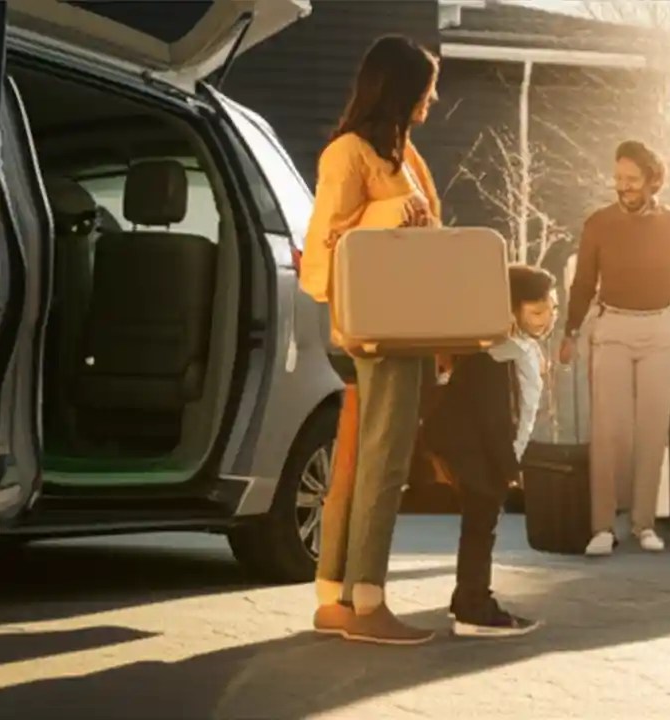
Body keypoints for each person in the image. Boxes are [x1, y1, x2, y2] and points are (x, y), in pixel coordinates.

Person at [300, 35, 442, 645]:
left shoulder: (404, 155)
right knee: (383, 463)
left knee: (358, 465)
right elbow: (324, 245)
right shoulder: (347, 154)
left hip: (403, 322)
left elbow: (429, 230)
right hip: (372, 328)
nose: (434, 100)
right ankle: (369, 602)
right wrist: (393, 217)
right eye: (428, 88)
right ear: (402, 88)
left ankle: (335, 596)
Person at [558, 140, 670, 556]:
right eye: (618, 179)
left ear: (652, 180)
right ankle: (602, 526)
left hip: (660, 330)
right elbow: (584, 282)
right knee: (610, 432)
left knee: (652, 429)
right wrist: (570, 332)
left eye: (632, 180)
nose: (623, 187)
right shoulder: (598, 223)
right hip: (612, 329)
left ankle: (643, 524)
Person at [423, 265, 557, 637]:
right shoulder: (497, 355)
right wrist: (509, 467)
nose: (546, 320)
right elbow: (496, 419)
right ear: (511, 311)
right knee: (481, 527)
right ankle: (474, 610)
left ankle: (466, 598)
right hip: (476, 451)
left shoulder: (519, 348)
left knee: (479, 525)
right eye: (535, 312)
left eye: (551, 310)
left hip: (483, 451)